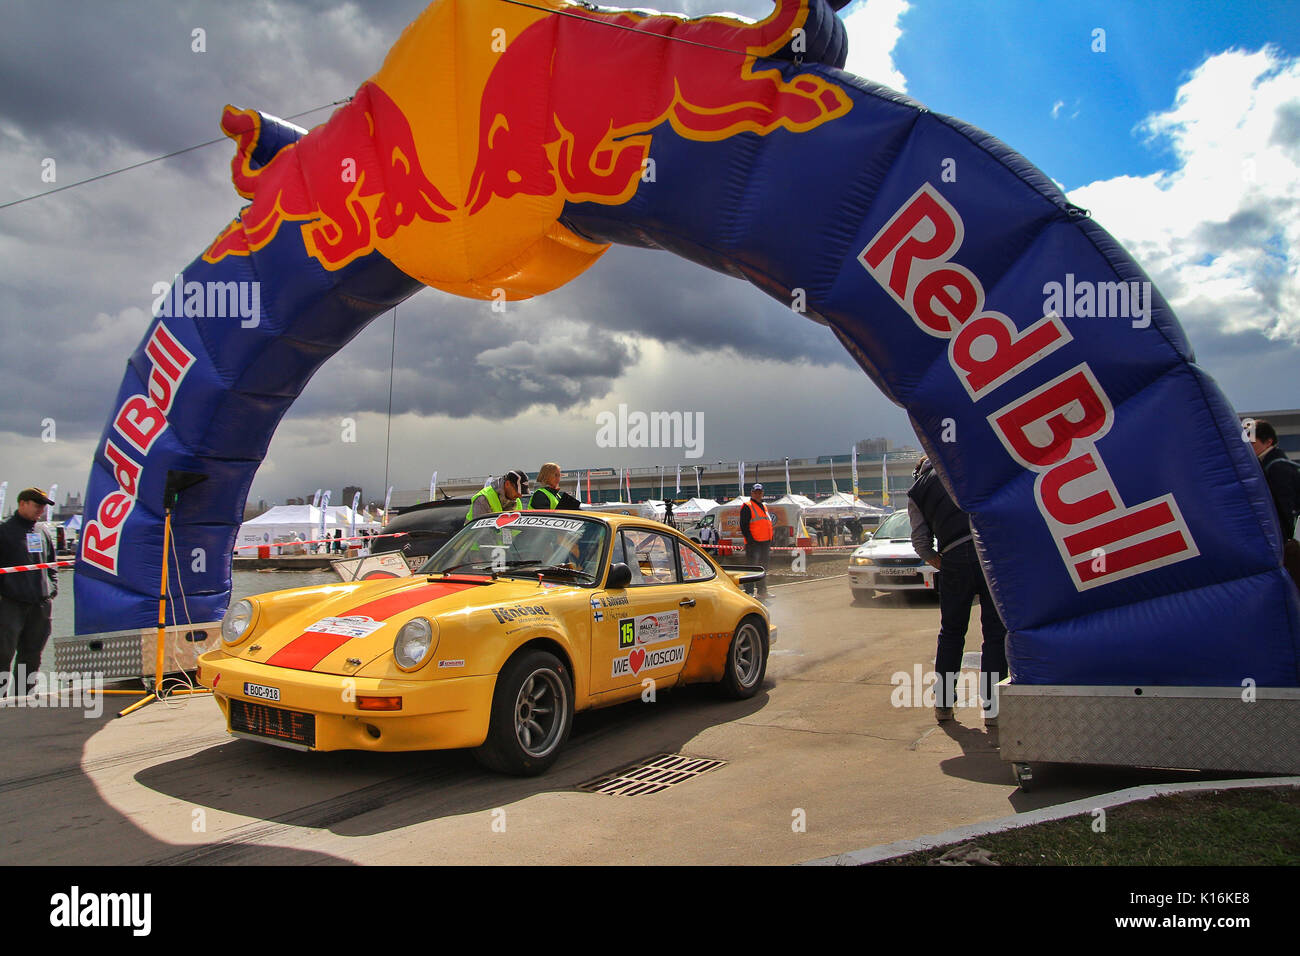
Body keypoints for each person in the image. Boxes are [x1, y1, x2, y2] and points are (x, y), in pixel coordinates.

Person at [907, 459, 1006, 727]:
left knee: (951, 634)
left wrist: (945, 562)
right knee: (995, 635)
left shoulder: (917, 491)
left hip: (953, 559)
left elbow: (921, 543)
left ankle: (944, 706)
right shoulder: (967, 466)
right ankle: (994, 708)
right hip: (990, 552)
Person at [0, 488, 58, 697]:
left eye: (43, 507)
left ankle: (23, 696)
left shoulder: (42, 531)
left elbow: (52, 562)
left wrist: (52, 587)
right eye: (37, 505)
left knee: (32, 653)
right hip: (11, 604)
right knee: (3, 653)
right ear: (22, 503)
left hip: (40, 604)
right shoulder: (4, 531)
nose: (40, 511)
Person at [1249, 419, 1300, 589]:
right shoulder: (1269, 466)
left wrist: (1283, 540)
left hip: (1286, 545)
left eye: (1252, 442)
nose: (1248, 446)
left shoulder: (1277, 467)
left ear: (1268, 441)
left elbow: (1285, 510)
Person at [739, 483, 773, 599]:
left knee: (763, 567)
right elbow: (744, 526)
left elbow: (766, 524)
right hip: (754, 543)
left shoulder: (763, 506)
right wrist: (750, 540)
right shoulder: (747, 506)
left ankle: (762, 591)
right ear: (752, 493)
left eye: (760, 492)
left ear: (762, 493)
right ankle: (749, 591)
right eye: (756, 492)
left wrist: (770, 540)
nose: (758, 494)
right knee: (752, 567)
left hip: (765, 542)